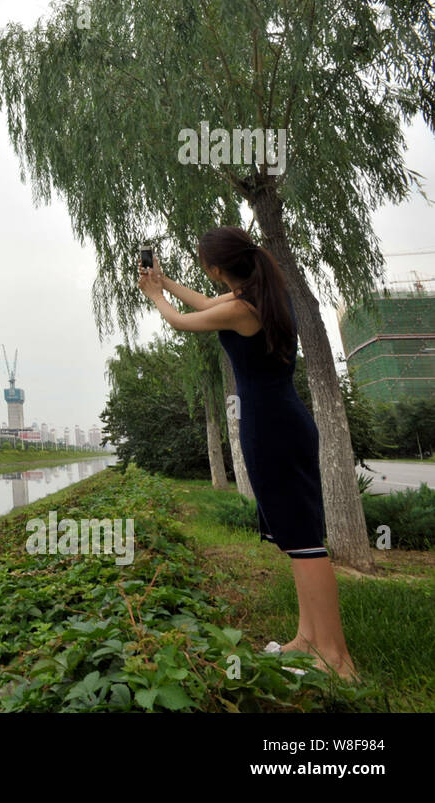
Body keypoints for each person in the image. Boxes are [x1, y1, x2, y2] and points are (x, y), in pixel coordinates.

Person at [137, 225, 358, 681]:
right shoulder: (263, 293)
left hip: (273, 428)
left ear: (218, 268)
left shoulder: (242, 306)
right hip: (280, 421)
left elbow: (182, 320)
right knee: (299, 543)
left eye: (205, 265)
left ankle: (337, 659)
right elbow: (201, 302)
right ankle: (307, 638)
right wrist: (166, 282)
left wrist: (154, 296)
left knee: (307, 545)